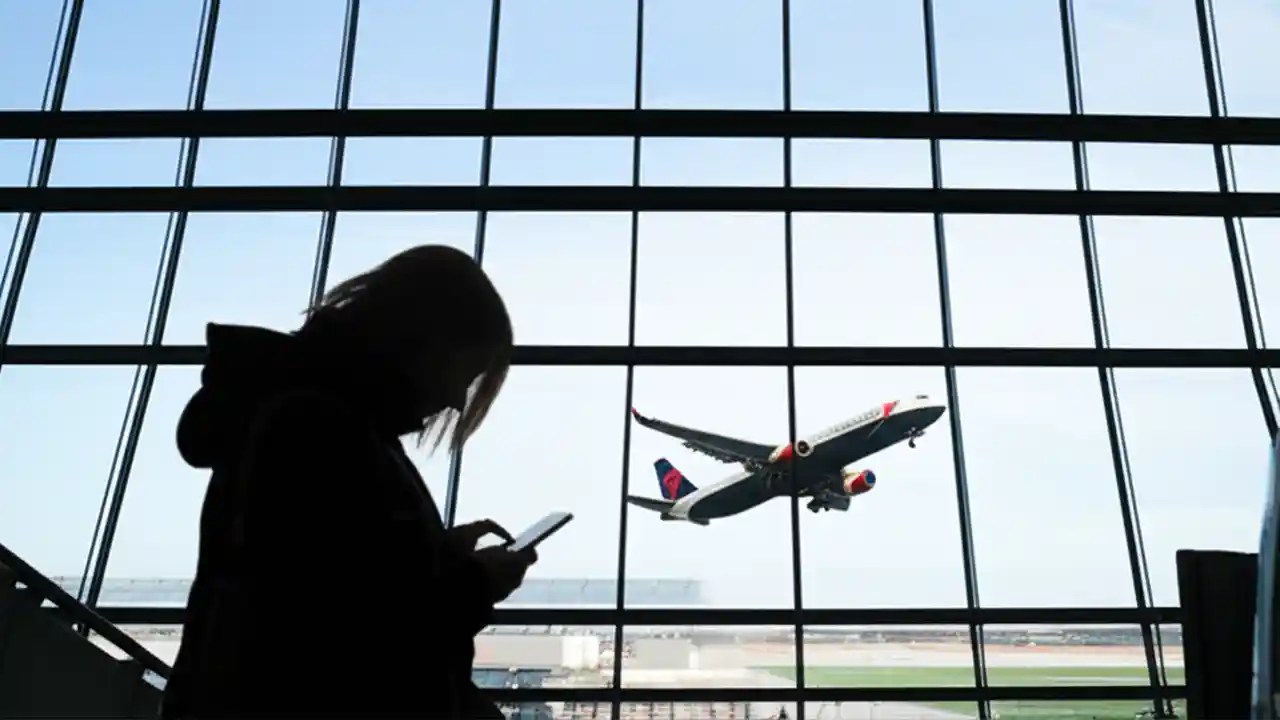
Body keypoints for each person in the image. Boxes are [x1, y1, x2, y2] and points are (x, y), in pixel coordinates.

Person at [160, 245, 536, 719]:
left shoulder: (319, 419)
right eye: (462, 372)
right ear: (423, 342)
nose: (457, 401)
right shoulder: (321, 427)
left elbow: (338, 579)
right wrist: (474, 583)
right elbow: (351, 637)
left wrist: (434, 555)